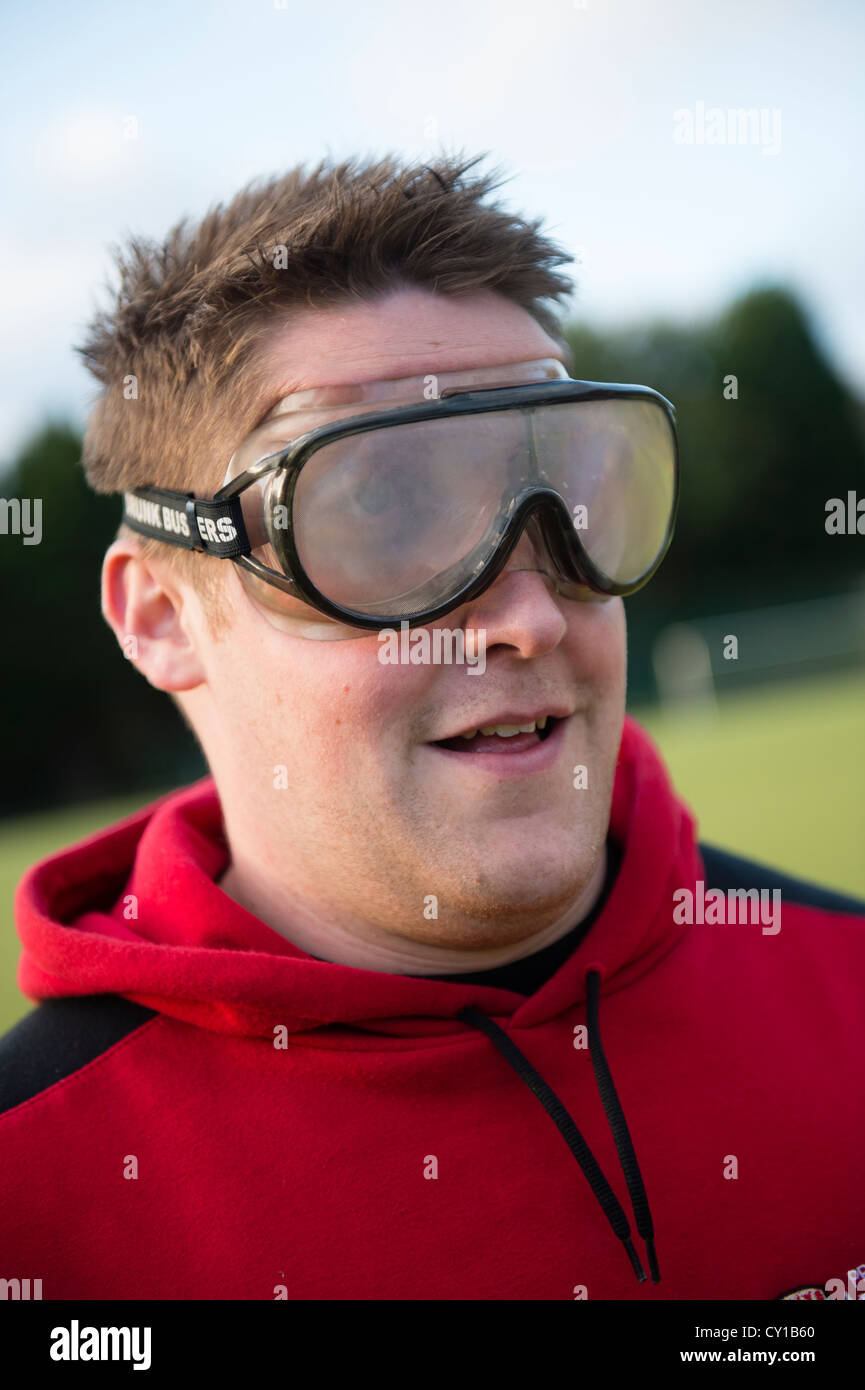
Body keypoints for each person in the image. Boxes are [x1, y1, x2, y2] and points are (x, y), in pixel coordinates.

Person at [1, 153, 863, 1303]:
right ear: (162, 618)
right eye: (380, 509)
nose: (527, 614)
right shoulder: (35, 1209)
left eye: (568, 491)